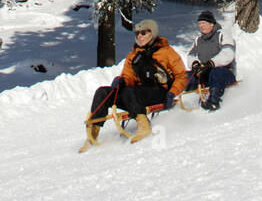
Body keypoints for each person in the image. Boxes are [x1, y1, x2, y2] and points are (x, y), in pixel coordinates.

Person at [80, 19, 188, 150]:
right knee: (102, 92)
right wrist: (121, 81)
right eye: (137, 34)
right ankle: (94, 131)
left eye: (143, 33)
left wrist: (172, 93)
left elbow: (181, 76)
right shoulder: (133, 56)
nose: (140, 36)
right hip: (136, 96)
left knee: (129, 91)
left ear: (152, 33)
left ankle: (143, 125)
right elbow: (128, 76)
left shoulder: (166, 52)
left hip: (160, 92)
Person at [184, 10, 237, 111]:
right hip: (205, 73)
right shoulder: (198, 39)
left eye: (204, 23)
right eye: (199, 23)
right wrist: (195, 64)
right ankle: (178, 102)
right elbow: (191, 55)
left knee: (216, 72)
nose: (201, 26)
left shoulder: (222, 35)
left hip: (224, 73)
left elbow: (228, 53)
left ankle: (214, 101)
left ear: (212, 24)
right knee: (186, 76)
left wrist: (212, 63)